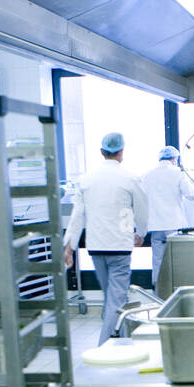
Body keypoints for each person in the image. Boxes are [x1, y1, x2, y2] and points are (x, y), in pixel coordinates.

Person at [63, 132, 148, 344]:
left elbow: (77, 216)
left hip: (96, 247)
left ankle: (121, 335)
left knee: (110, 296)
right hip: (120, 246)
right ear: (122, 152)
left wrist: (70, 247)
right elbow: (142, 210)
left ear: (102, 152)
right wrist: (141, 233)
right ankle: (104, 343)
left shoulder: (86, 180)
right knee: (116, 298)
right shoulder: (130, 178)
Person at [140, 146, 194, 287]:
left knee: (157, 260)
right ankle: (177, 289)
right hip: (174, 224)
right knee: (176, 259)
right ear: (174, 159)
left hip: (155, 225)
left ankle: (158, 290)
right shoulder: (178, 173)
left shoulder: (147, 175)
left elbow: (141, 199)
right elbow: (191, 195)